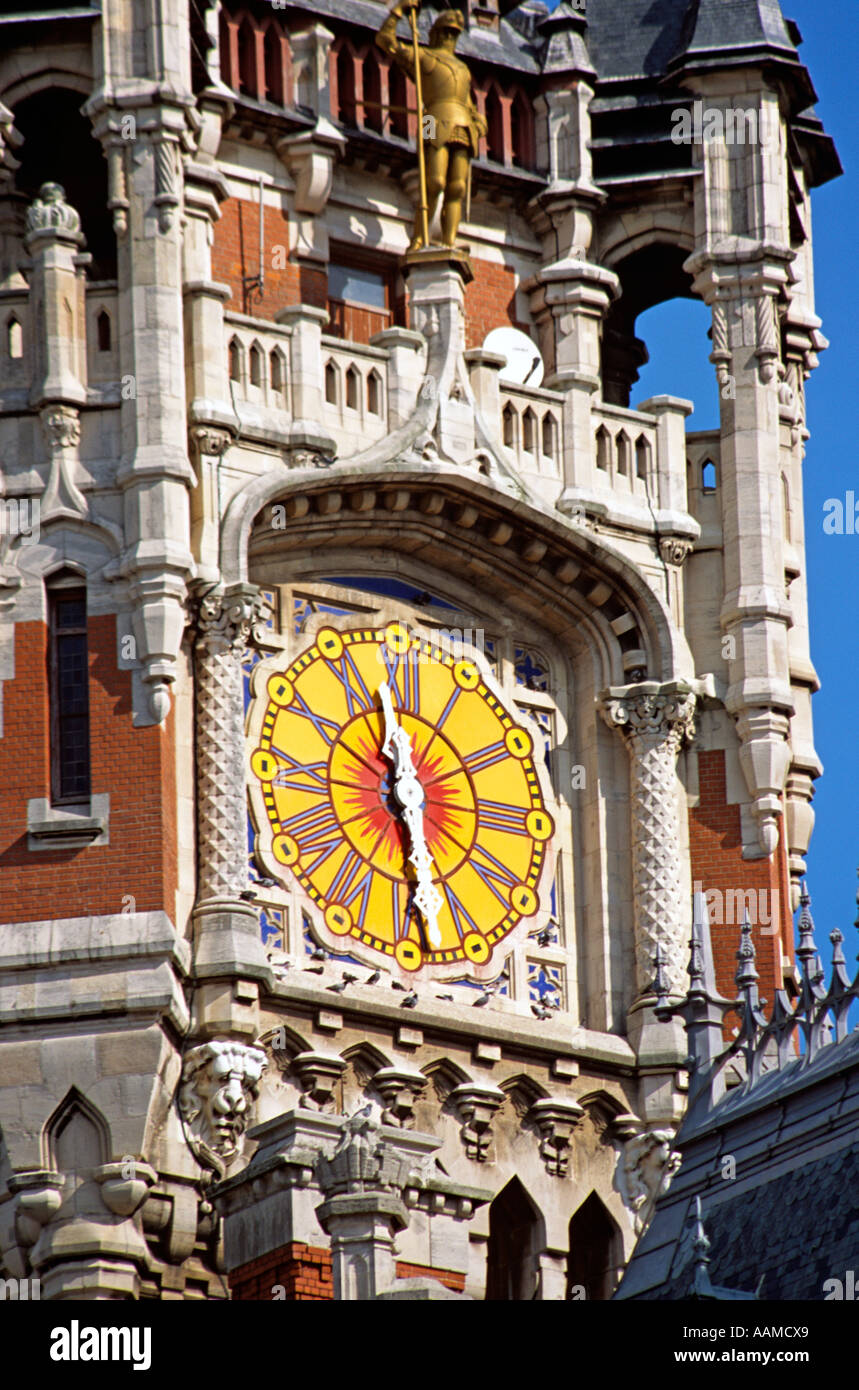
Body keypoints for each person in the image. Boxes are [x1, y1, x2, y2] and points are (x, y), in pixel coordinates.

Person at [376, 3, 487, 250]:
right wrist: (399, 10)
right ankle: (418, 238)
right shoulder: (423, 55)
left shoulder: (463, 68)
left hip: (463, 125)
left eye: (454, 33)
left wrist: (480, 123)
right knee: (433, 182)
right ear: (436, 33)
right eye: (446, 31)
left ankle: (449, 242)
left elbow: (469, 104)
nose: (449, 37)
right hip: (431, 119)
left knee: (457, 187)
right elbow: (385, 40)